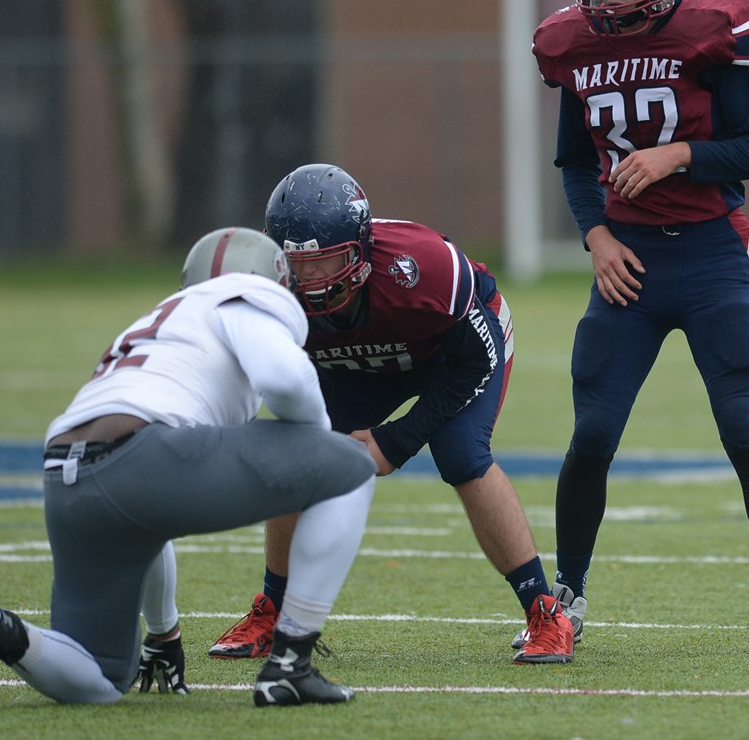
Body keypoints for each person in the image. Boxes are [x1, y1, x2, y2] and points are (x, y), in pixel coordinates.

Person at [525, 0, 749, 655]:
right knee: (592, 432)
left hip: (713, 255)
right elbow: (574, 163)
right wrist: (594, 235)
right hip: (630, 264)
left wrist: (678, 154)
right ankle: (567, 599)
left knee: (744, 428)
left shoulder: (709, 35)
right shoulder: (576, 45)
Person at [0, 227, 379, 711]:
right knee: (350, 466)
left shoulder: (163, 321)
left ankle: (1, 630)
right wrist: (315, 443)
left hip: (69, 475)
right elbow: (283, 376)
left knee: (100, 679)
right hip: (144, 456)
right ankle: (291, 666)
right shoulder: (242, 298)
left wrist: (162, 634)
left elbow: (147, 519)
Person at [208, 163, 574, 666]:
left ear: (362, 250)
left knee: (462, 455)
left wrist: (394, 441)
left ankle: (544, 611)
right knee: (295, 457)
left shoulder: (423, 268)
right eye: (299, 265)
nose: (312, 280)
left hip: (452, 355)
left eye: (328, 262)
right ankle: (273, 611)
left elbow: (477, 361)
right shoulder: (268, 287)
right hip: (359, 364)